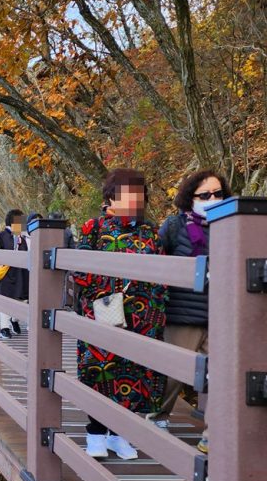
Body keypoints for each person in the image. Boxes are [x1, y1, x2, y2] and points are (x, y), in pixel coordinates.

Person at [74, 168, 168, 460]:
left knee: (137, 374)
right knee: (101, 370)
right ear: (110, 198)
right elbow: (79, 268)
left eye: (138, 194)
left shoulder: (151, 231)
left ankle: (121, 435)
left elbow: (163, 269)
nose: (133, 199)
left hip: (145, 316)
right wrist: (104, 292)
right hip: (106, 311)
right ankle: (96, 433)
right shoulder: (94, 228)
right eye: (126, 193)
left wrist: (159, 304)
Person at [157, 170, 231, 454]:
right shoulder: (175, 225)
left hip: (221, 315)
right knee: (174, 374)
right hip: (183, 313)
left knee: (220, 376)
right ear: (191, 198)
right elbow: (155, 259)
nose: (212, 199)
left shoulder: (230, 224)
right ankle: (157, 416)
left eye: (217, 193)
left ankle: (213, 434)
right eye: (204, 195)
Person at [0, 209, 28, 339]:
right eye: (21, 221)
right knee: (5, 300)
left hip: (21, 274)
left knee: (23, 299)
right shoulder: (1, 235)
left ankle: (14, 320)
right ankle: (4, 328)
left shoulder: (23, 238)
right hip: (5, 273)